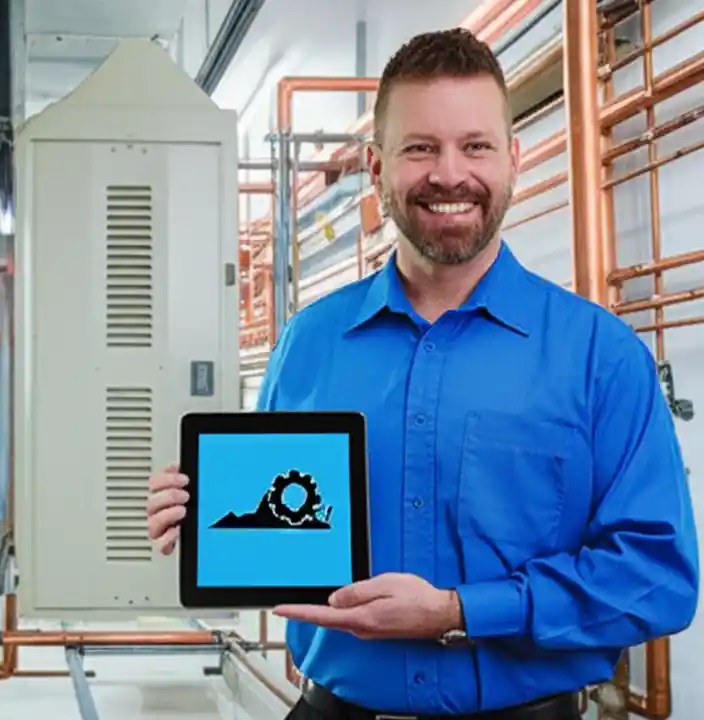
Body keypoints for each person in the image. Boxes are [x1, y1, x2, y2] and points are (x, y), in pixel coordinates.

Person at [146, 27, 699, 720]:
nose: (448, 174)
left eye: (475, 146)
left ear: (513, 159)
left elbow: (656, 579)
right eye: (419, 148)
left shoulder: (600, 355)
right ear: (377, 167)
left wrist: (455, 610)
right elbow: (278, 524)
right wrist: (201, 516)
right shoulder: (311, 342)